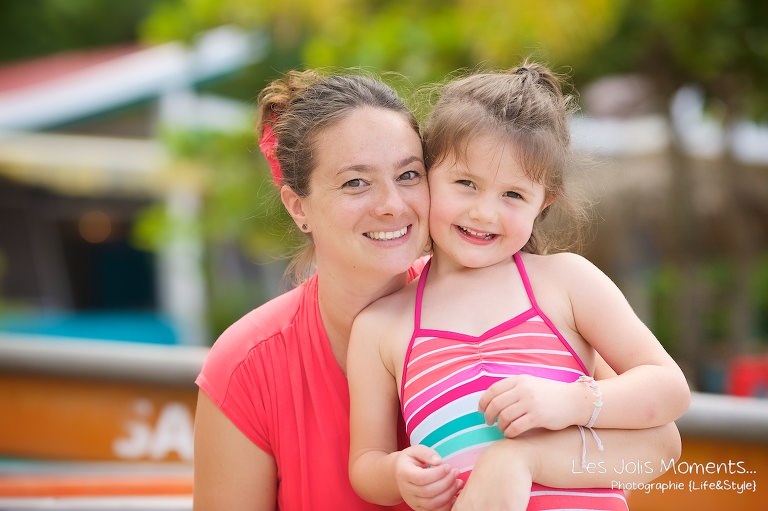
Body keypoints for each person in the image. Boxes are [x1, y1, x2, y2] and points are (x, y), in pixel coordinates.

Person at [194, 68, 683, 511]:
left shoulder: (547, 295)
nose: (391, 204)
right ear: (298, 207)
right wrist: (394, 473)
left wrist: (521, 460)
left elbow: (658, 443)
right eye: (355, 183)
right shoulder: (263, 362)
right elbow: (368, 466)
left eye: (407, 175)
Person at [347, 62, 691, 511]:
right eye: (466, 184)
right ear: (427, 174)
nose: (484, 213)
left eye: (512, 195)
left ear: (542, 201)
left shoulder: (565, 282)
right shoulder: (380, 325)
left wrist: (570, 403)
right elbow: (365, 462)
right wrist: (395, 474)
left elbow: (668, 390)